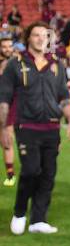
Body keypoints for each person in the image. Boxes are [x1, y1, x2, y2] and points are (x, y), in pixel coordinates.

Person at [0, 23, 70, 234]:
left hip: (52, 127)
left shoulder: (57, 65)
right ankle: (19, 212)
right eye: (36, 35)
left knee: (48, 174)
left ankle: (38, 220)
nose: (41, 39)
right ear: (28, 38)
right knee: (31, 170)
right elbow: (4, 99)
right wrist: (2, 129)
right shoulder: (15, 65)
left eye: (44, 35)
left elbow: (64, 97)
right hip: (26, 126)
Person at [0, 34, 16, 186]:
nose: (7, 49)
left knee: (7, 140)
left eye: (9, 46)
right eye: (4, 46)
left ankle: (10, 175)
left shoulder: (17, 64)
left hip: (9, 106)